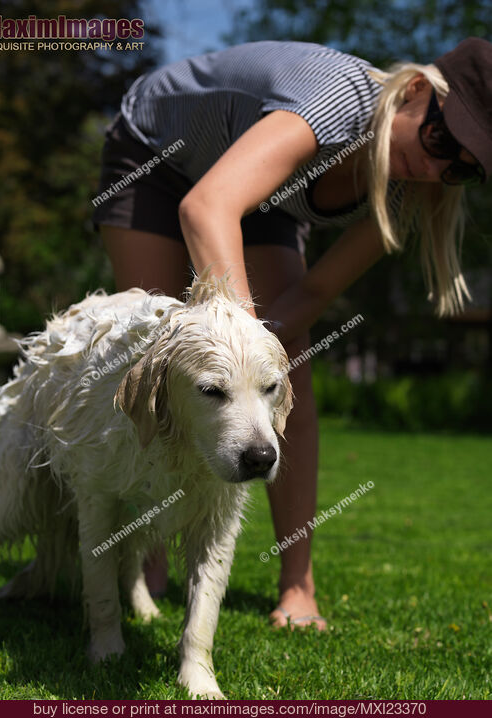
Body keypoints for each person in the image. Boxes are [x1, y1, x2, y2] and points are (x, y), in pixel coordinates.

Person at [92, 37, 492, 630]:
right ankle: (147, 562)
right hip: (156, 156)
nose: (438, 167)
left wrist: (260, 365)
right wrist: (238, 349)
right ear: (414, 93)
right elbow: (206, 208)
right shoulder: (334, 99)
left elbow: (309, 297)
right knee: (164, 360)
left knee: (285, 372)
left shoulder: (414, 181)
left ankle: (297, 584)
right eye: (439, 139)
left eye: (462, 166)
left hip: (255, 195)